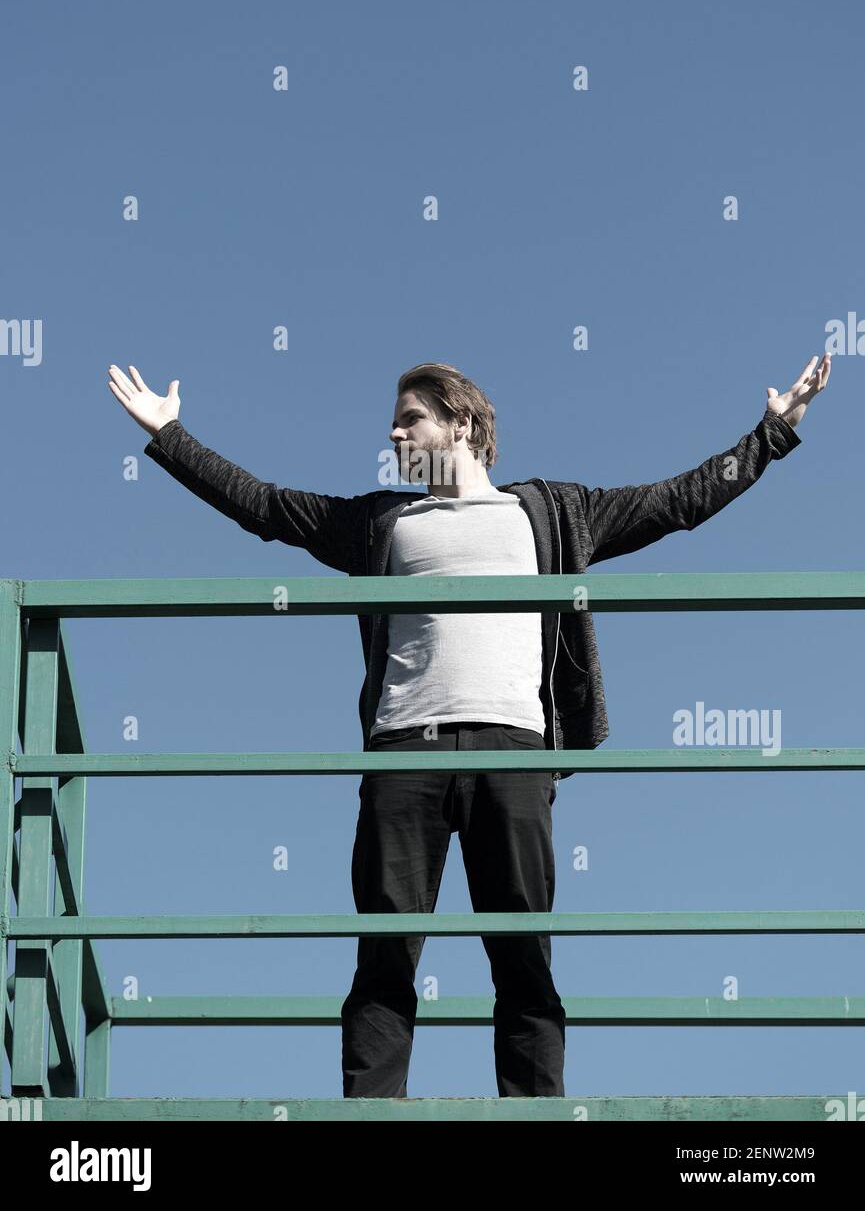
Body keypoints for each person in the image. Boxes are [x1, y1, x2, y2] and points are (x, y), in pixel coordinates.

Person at [107, 352, 831, 1096]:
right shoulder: (380, 522)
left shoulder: (551, 512)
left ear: (461, 422)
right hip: (402, 758)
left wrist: (770, 433)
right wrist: (171, 436)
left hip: (512, 752)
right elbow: (262, 507)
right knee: (385, 958)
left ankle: (533, 1116)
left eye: (409, 416)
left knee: (523, 958)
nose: (394, 430)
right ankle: (370, 1118)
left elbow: (675, 502)